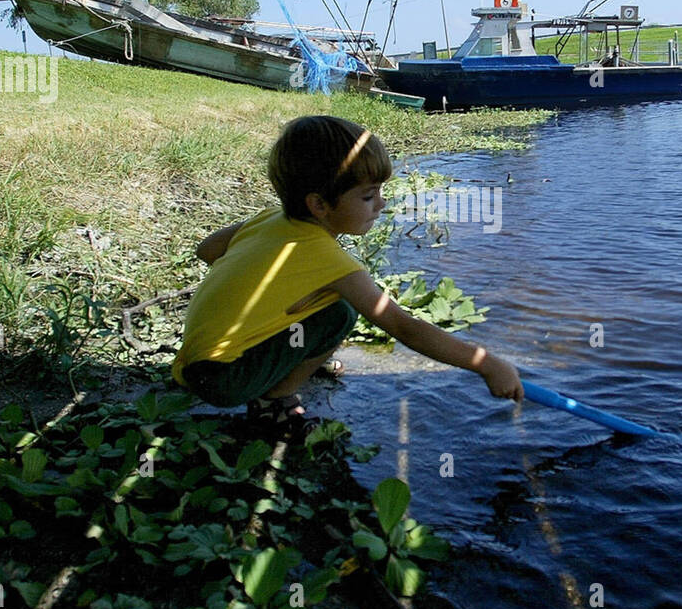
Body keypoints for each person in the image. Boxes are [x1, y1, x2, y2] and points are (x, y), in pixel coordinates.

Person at [171, 115, 523, 421]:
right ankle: (275, 400)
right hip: (226, 380)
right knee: (338, 314)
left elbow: (208, 250)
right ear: (320, 205)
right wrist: (487, 364)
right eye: (368, 196)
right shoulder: (328, 258)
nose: (381, 204)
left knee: (323, 305)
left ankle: (288, 361)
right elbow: (404, 327)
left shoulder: (268, 219)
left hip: (195, 363)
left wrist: (267, 295)